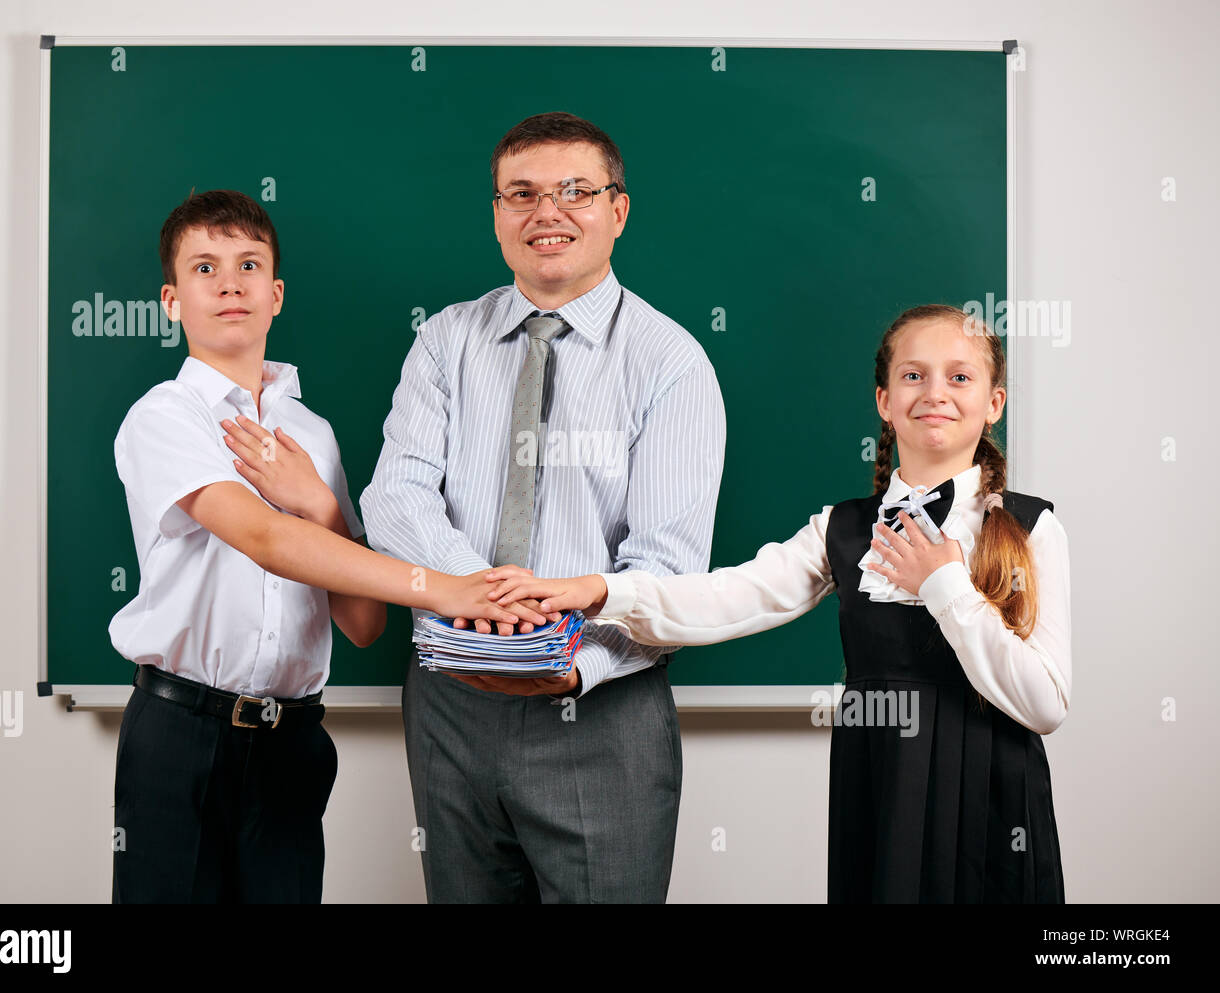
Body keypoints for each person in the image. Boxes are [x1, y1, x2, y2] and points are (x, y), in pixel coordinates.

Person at [489, 304, 1071, 903]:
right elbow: (732, 596)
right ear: (884, 402)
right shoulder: (841, 529)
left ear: (994, 403)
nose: (935, 393)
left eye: (960, 376)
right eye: (913, 375)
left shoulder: (1032, 528)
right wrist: (606, 590)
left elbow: (1046, 703)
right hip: (879, 785)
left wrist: (947, 586)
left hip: (992, 793)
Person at [109, 190, 546, 903]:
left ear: (276, 294)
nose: (229, 284)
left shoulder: (311, 435)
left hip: (292, 739)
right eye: (205, 268)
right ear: (170, 298)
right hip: (182, 733)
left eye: (249, 265)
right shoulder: (163, 416)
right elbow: (262, 536)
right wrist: (444, 587)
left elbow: (364, 622)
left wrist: (319, 501)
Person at [359, 112, 726, 903]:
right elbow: (394, 496)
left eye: (575, 191)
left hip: (600, 704)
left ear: (617, 211)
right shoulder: (445, 341)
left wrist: (564, 659)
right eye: (520, 194)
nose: (546, 213)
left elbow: (666, 566)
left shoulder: (672, 362)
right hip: (450, 700)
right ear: (496, 214)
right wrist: (488, 601)